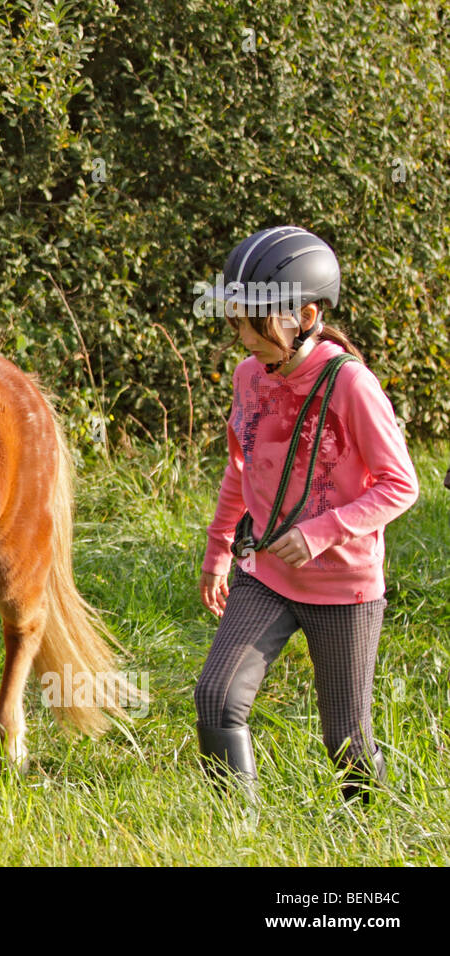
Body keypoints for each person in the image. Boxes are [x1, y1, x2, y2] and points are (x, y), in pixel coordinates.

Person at [196, 226, 419, 804]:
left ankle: (374, 835)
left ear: (307, 315)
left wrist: (322, 533)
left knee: (346, 737)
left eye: (254, 322)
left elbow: (401, 485)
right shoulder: (250, 375)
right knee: (217, 700)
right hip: (264, 572)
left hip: (343, 583)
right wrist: (220, 551)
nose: (242, 336)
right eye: (236, 320)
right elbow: (241, 468)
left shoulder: (350, 383)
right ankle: (236, 834)